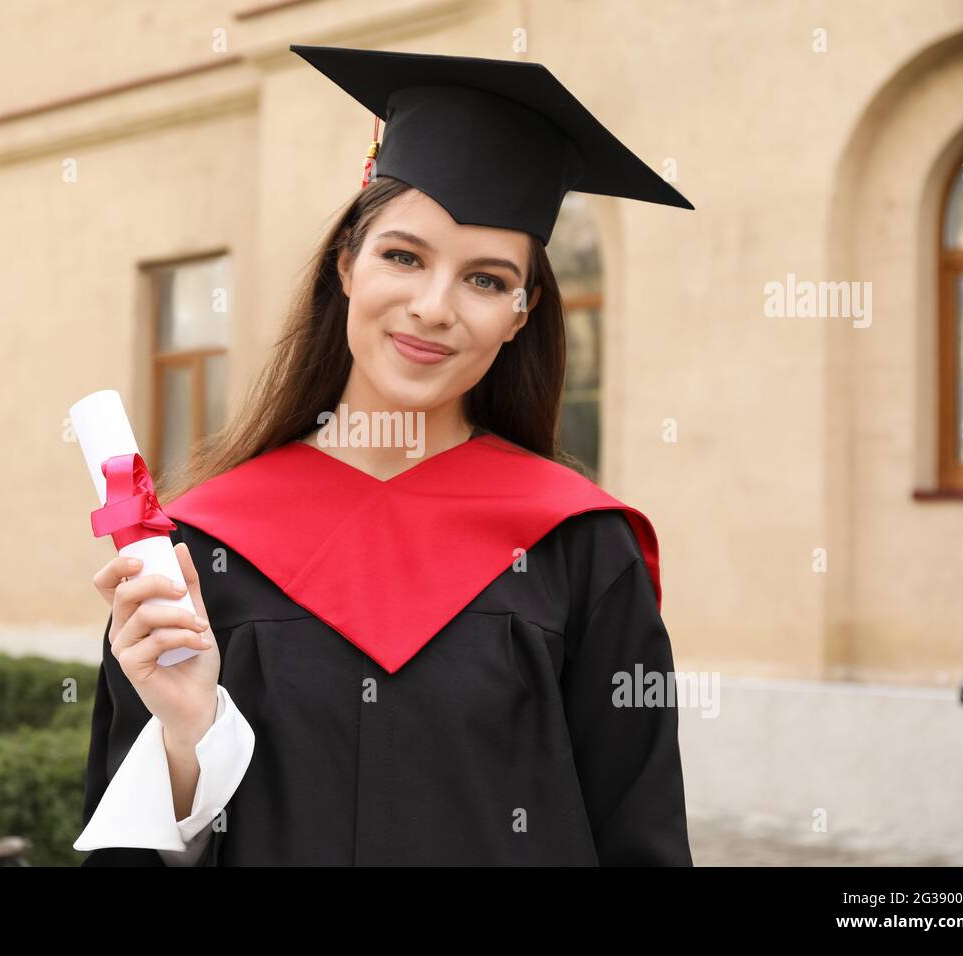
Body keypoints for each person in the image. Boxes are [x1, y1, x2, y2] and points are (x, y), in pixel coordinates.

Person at [75, 44, 695, 866]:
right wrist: (188, 744)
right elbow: (133, 853)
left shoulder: (578, 548)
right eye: (403, 257)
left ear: (521, 311)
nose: (433, 308)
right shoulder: (201, 552)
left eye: (484, 280)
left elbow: (640, 840)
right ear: (346, 267)